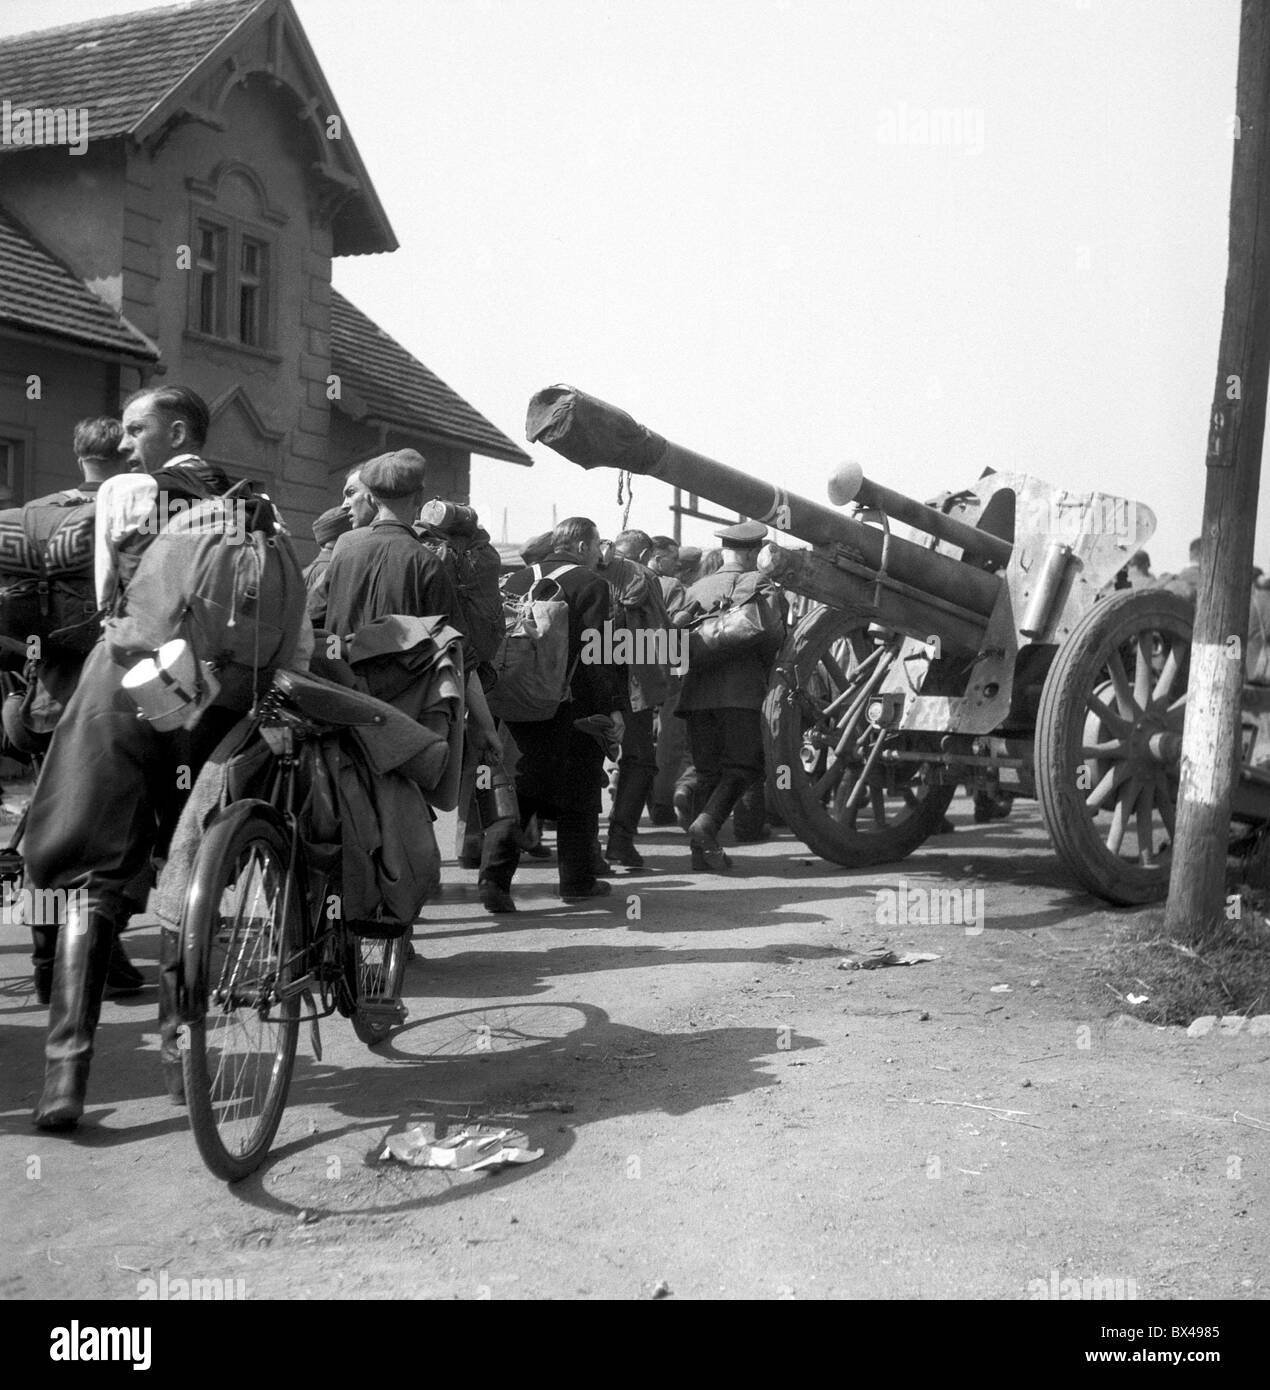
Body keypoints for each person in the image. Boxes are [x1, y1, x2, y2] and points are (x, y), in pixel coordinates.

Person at [25, 385, 278, 1131]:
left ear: (174, 430)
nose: (128, 444)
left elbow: (112, 598)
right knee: (190, 864)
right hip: (212, 691)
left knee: (88, 876)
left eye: (138, 428)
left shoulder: (129, 490)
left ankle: (65, 1078)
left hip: (128, 676)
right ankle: (179, 1063)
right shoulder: (252, 502)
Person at [14, 417, 147, 1003]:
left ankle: (46, 961)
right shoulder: (130, 507)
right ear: (124, 452)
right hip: (104, 696)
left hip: (45, 694)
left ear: (77, 455)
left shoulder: (35, 511)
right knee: (108, 835)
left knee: (47, 831)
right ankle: (102, 953)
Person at [482, 517, 625, 901]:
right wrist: (610, 708)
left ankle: (494, 880)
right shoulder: (592, 584)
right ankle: (577, 883)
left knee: (521, 792)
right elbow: (599, 653)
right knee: (577, 797)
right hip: (572, 708)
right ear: (582, 546)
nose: (600, 554)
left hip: (516, 703)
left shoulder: (516, 579)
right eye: (597, 547)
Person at [673, 521, 786, 871]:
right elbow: (775, 637)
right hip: (741, 693)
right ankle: (706, 825)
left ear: (725, 551)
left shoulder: (695, 587)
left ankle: (700, 855)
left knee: (706, 772)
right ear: (755, 552)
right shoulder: (762, 583)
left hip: (695, 696)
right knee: (743, 766)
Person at [601, 528, 672, 868]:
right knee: (640, 760)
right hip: (629, 683)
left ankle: (585, 850)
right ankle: (620, 841)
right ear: (645, 554)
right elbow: (658, 634)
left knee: (586, 762)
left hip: (585, 678)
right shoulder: (642, 575)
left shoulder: (590, 568)